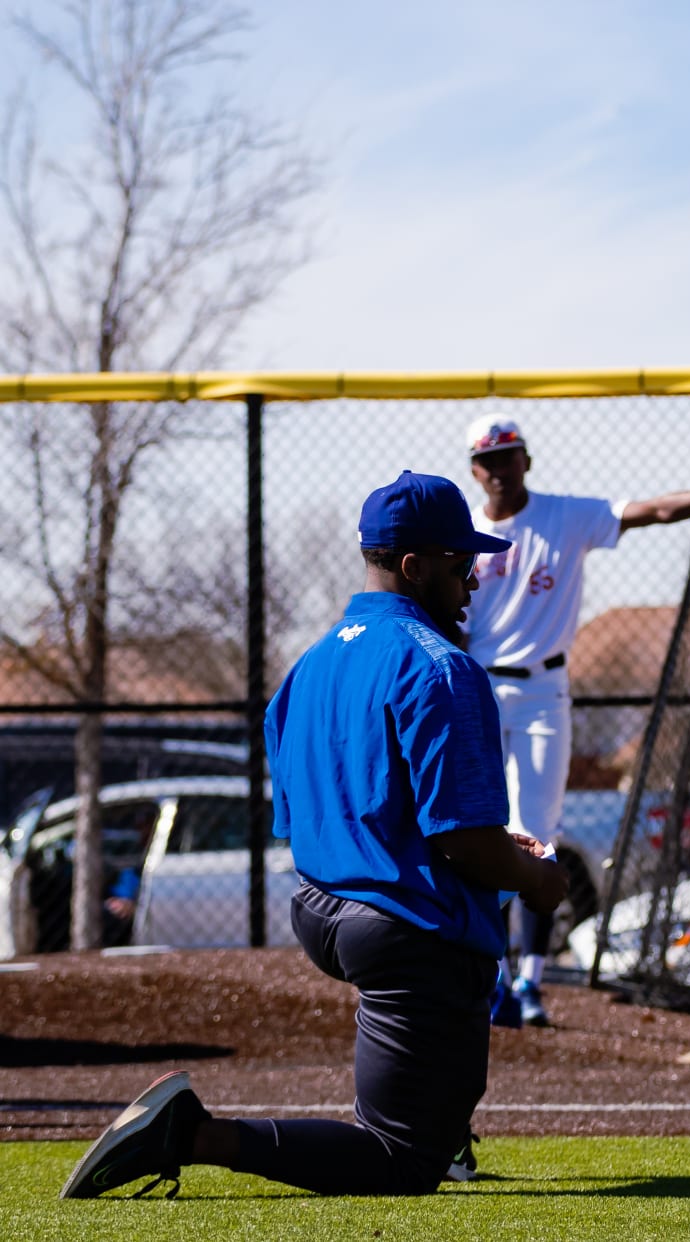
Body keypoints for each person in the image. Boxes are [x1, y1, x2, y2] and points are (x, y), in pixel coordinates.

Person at [61, 471, 569, 1199]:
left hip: (323, 908)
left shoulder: (310, 664)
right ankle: (193, 1134)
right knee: (402, 1163)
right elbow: (466, 844)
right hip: (402, 928)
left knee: (434, 1075)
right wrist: (540, 880)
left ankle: (433, 1106)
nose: (473, 582)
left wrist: (473, 847)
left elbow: (317, 816)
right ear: (414, 567)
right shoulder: (442, 667)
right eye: (461, 565)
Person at [461, 415, 690, 1026]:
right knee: (483, 830)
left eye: (510, 455)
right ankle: (492, 977)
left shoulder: (563, 516)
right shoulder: (464, 531)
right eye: (489, 459)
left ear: (527, 459)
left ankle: (530, 981)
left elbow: (651, 511)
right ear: (474, 470)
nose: (500, 468)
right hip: (479, 686)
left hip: (544, 687)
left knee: (538, 830)